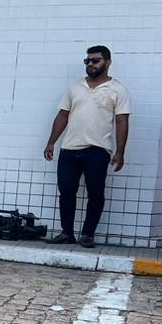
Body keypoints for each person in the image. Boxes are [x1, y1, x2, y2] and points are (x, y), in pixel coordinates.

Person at [43, 45, 130, 248]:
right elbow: (63, 114)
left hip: (98, 150)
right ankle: (67, 233)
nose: (90, 64)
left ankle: (88, 234)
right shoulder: (75, 87)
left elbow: (122, 121)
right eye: (87, 61)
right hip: (70, 149)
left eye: (95, 60)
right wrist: (51, 142)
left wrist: (120, 151)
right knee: (66, 190)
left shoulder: (118, 90)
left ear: (108, 62)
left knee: (96, 192)